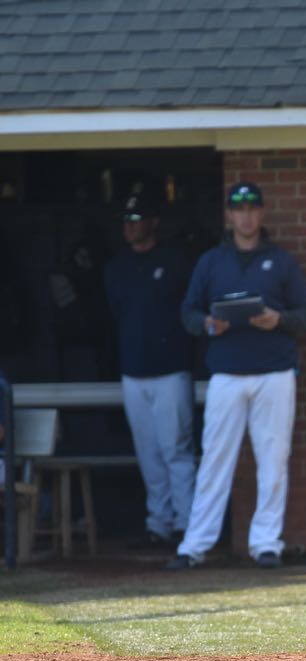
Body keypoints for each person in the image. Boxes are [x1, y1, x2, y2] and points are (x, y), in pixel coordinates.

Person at [167, 182, 306, 570]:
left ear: (261, 213)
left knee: (273, 459)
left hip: (275, 372)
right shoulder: (211, 262)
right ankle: (195, 546)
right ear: (229, 215)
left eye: (252, 207)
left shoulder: (281, 261)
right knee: (215, 458)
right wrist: (208, 324)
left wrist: (277, 319)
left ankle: (266, 544)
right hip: (226, 373)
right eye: (238, 208)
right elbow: (187, 313)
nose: (246, 214)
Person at [103, 190, 196, 549]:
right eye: (127, 221)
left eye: (138, 220)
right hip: (133, 370)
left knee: (176, 449)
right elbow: (115, 314)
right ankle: (158, 523)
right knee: (148, 452)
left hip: (171, 370)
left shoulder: (175, 261)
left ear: (153, 222)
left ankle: (186, 524)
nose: (131, 227)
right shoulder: (116, 267)